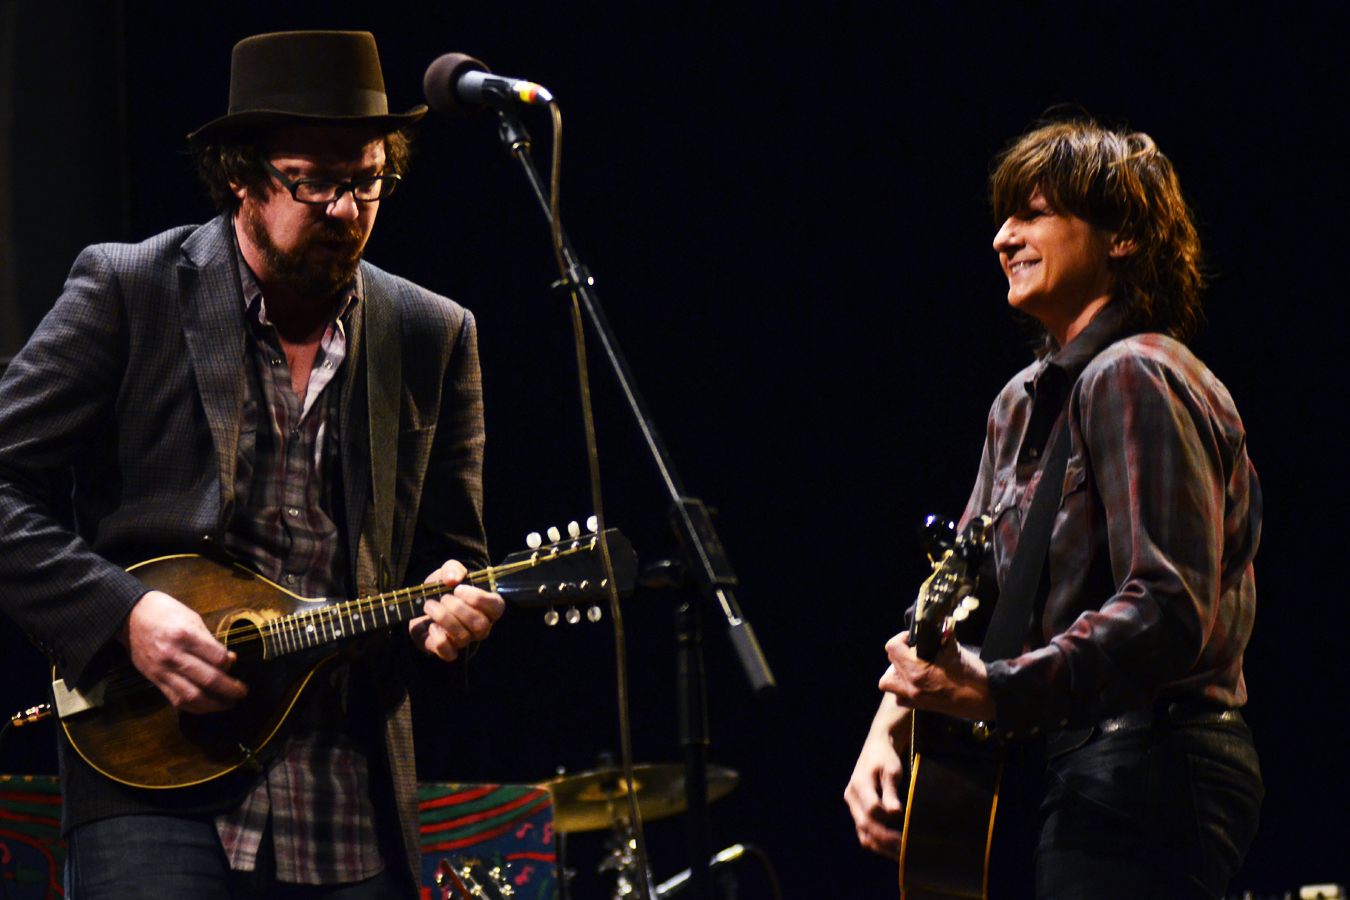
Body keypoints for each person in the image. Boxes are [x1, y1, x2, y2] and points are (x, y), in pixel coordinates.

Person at [0, 31, 502, 898]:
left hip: (347, 798)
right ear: (242, 173)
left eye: (368, 177)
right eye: (314, 180)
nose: (346, 207)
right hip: (152, 775)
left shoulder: (432, 332)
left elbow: (451, 561)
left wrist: (454, 613)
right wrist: (125, 617)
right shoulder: (132, 289)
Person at [844, 116, 1264, 899]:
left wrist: (995, 692)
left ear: (1123, 235)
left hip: (1155, 767)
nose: (1004, 237)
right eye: (1003, 218)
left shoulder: (1137, 373)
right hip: (1063, 762)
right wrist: (890, 728)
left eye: (1033, 213)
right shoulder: (1019, 405)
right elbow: (961, 596)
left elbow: (1168, 605)